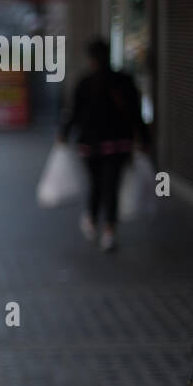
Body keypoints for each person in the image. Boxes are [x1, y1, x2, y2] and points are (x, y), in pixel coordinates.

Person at [56, 37, 150, 252]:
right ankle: (109, 229)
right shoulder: (124, 82)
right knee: (111, 185)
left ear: (91, 60)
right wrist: (145, 139)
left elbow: (74, 113)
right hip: (119, 145)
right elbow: (136, 114)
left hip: (91, 146)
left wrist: (63, 134)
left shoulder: (85, 83)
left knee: (97, 184)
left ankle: (91, 218)